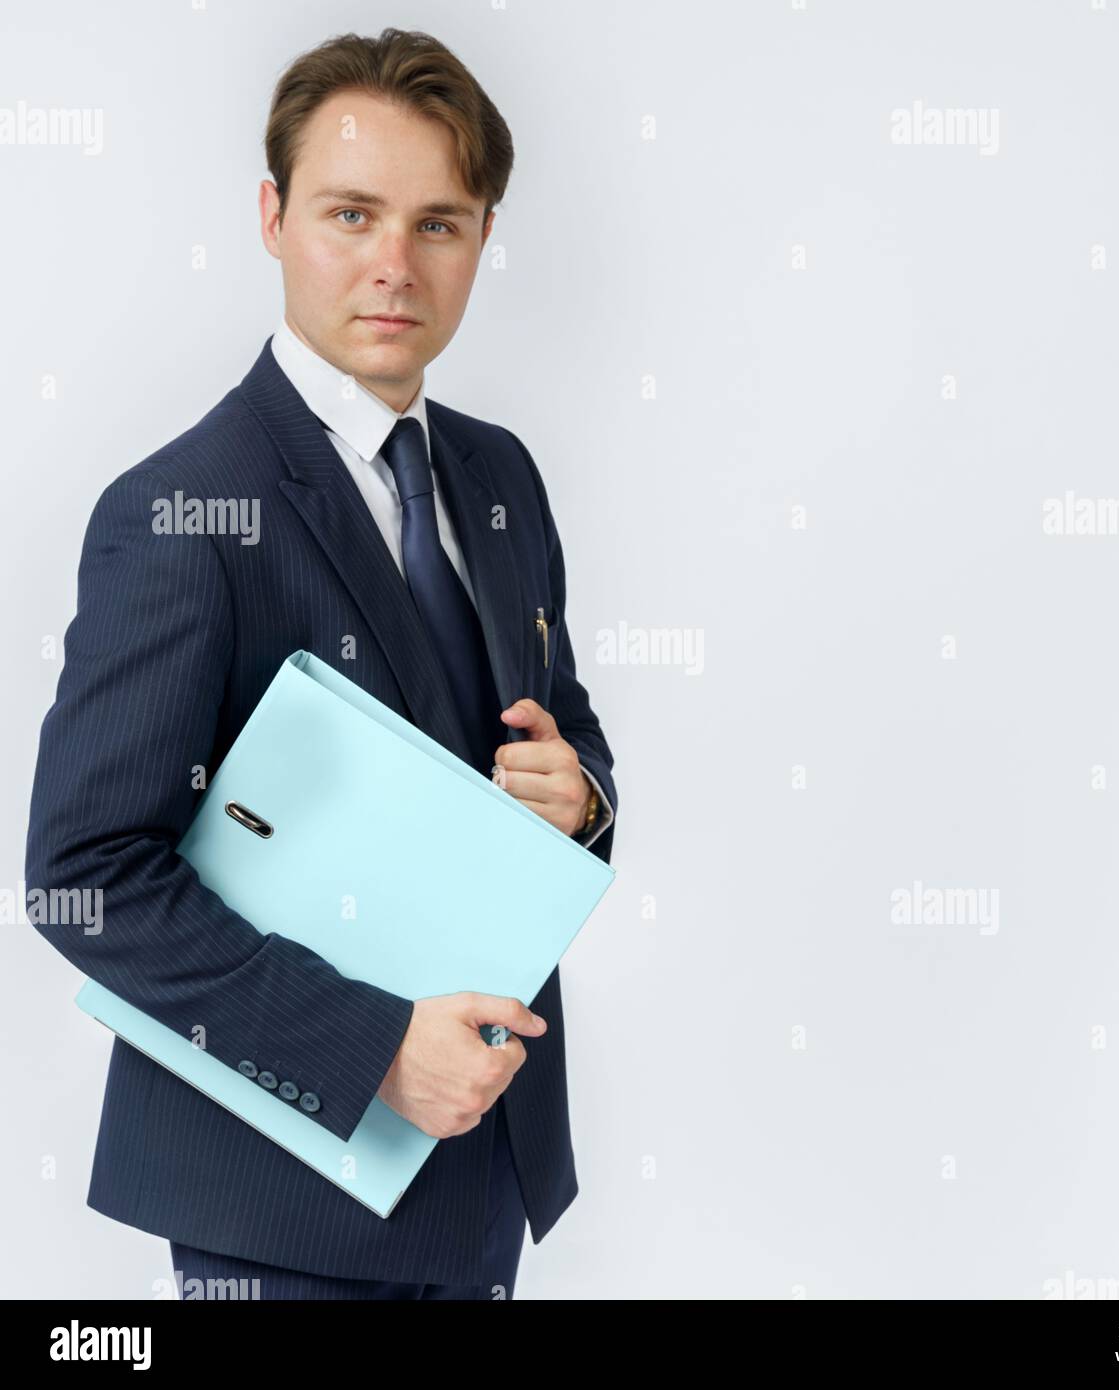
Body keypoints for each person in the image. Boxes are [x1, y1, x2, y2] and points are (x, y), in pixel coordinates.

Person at [24, 27, 616, 1301]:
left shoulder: (499, 476)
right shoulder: (181, 510)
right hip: (286, 1207)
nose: (394, 266)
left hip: (485, 1171)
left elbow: (567, 731)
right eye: (352, 213)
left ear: (482, 237)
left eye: (438, 223)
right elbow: (82, 876)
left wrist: (581, 798)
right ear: (273, 216)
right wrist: (371, 1051)